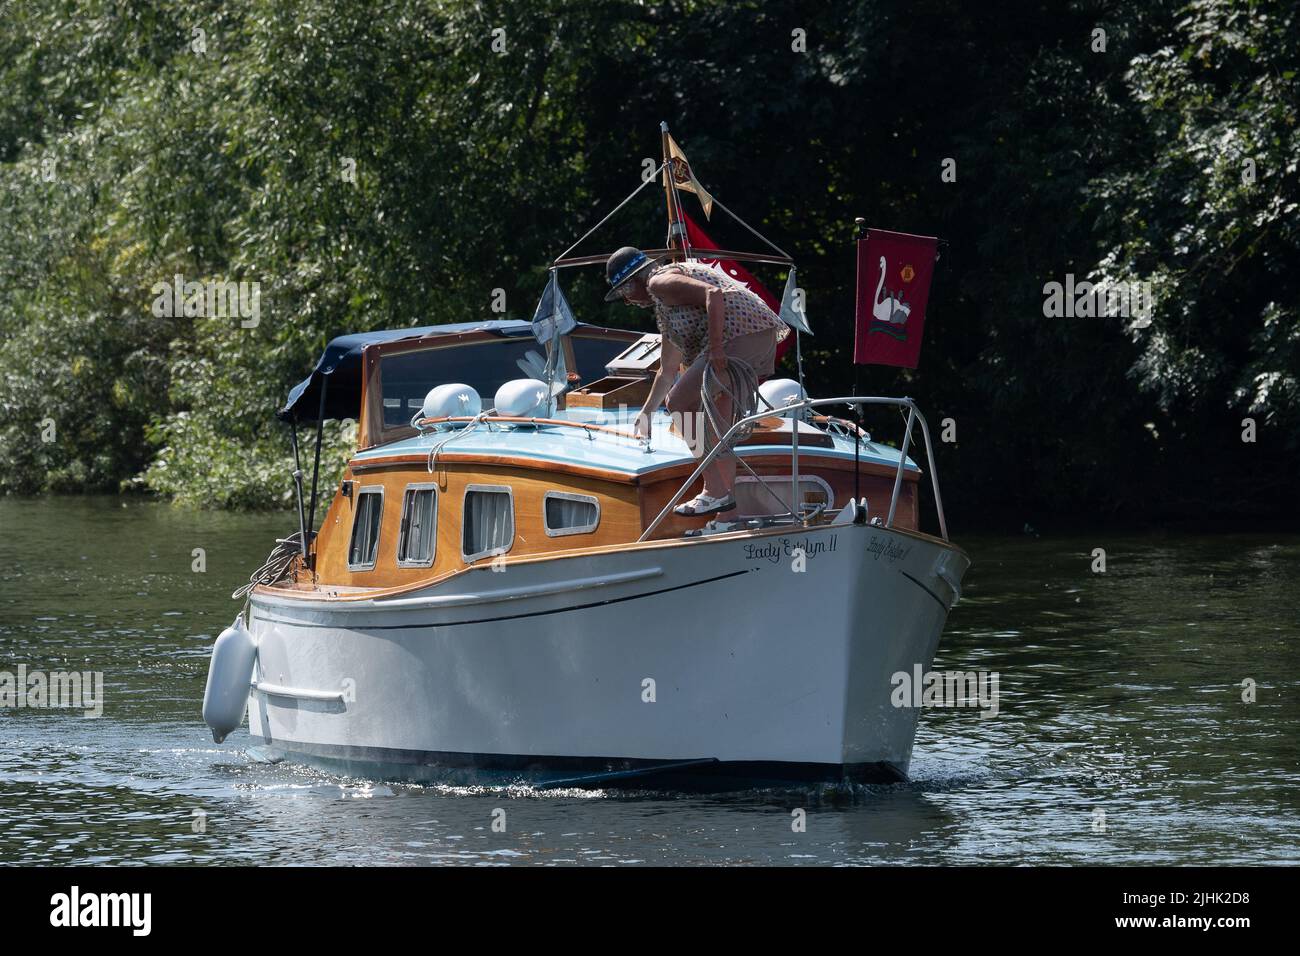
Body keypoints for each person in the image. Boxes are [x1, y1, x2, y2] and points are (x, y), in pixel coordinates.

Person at [604, 245, 786, 517]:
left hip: (739, 336)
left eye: (625, 292)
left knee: (678, 402)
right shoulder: (668, 310)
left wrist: (715, 350)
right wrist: (646, 412)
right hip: (755, 334)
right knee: (717, 431)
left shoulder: (659, 281)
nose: (628, 301)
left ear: (637, 280)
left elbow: (713, 294)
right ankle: (727, 514)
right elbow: (666, 370)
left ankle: (713, 492)